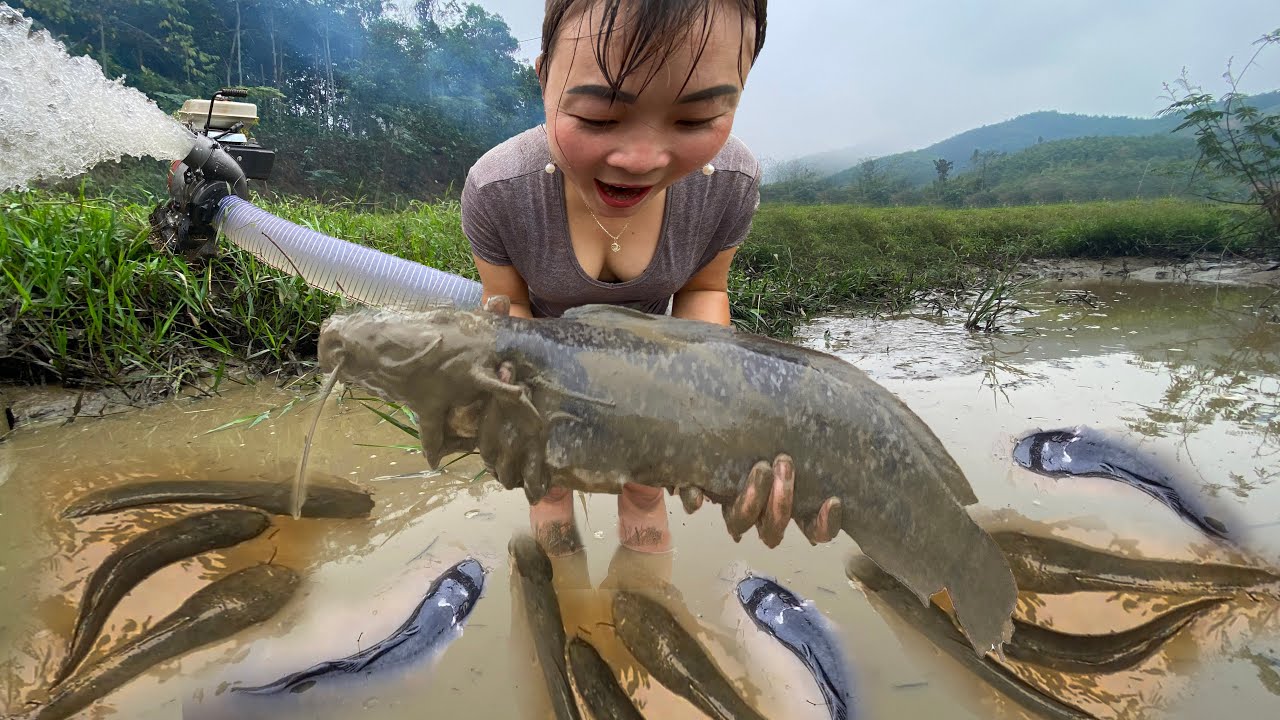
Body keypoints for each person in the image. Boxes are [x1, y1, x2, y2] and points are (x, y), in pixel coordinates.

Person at [459, 0, 841, 554]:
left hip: (658, 378)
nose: (640, 160)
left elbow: (703, 291)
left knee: (644, 494)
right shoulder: (499, 191)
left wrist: (722, 418)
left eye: (694, 119)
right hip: (546, 377)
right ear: (543, 78)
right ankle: (560, 599)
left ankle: (643, 608)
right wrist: (520, 412)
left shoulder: (727, 184)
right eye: (598, 117)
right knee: (548, 491)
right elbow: (507, 310)